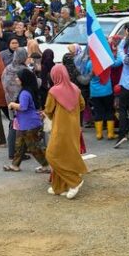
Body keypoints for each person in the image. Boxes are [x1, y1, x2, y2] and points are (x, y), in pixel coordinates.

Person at [44, 64, 87, 199]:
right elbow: (82, 105)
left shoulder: (53, 91)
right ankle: (59, 187)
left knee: (52, 155)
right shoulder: (76, 89)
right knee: (65, 156)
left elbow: (48, 110)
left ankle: (75, 181)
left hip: (60, 129)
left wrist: (56, 116)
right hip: (74, 128)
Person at [4, 67, 50, 174]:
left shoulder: (24, 92)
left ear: (23, 79)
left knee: (33, 147)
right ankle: (15, 165)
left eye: (18, 78)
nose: (16, 79)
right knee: (19, 145)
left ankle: (46, 165)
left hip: (29, 124)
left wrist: (12, 104)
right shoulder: (30, 89)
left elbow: (23, 107)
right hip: (25, 123)